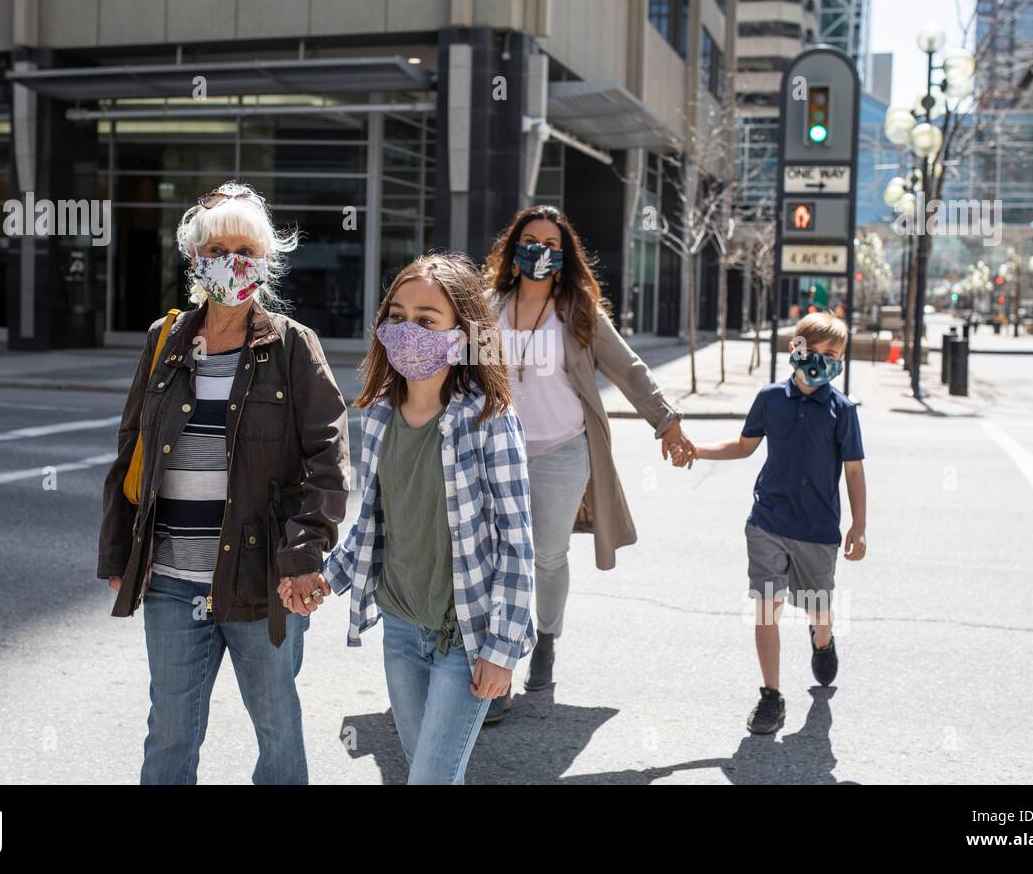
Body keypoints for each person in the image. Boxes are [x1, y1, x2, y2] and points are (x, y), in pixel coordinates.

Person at [97, 181, 350, 784]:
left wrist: (305, 555)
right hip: (171, 583)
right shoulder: (165, 340)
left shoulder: (291, 346)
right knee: (170, 735)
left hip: (261, 580)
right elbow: (131, 448)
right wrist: (118, 552)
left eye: (246, 249)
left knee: (277, 729)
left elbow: (329, 458)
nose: (231, 261)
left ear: (265, 262)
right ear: (195, 259)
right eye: (218, 248)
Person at [283, 252, 536, 784]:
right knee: (432, 775)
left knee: (429, 779)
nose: (407, 331)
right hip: (400, 628)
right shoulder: (377, 413)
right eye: (397, 316)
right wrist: (325, 578)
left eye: (427, 320)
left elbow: (517, 543)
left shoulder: (488, 417)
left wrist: (503, 650)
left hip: (464, 634)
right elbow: (373, 523)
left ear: (462, 332)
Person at [479, 205, 695, 723]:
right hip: (497, 452)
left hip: (563, 450)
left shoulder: (577, 312)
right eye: (530, 240)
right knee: (497, 559)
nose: (540, 250)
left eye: (551, 243)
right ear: (513, 250)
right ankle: (499, 668)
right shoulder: (488, 308)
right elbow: (460, 373)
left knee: (548, 557)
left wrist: (667, 421)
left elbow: (628, 368)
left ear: (563, 255)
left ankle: (546, 637)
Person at [677, 311, 867, 735]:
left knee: (818, 605)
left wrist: (859, 525)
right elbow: (744, 446)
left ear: (841, 360)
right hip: (767, 521)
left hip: (818, 530)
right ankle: (771, 696)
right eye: (811, 350)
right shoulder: (770, 399)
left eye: (831, 354)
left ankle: (823, 639)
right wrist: (698, 450)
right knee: (766, 607)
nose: (819, 360)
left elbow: (854, 471)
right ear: (793, 349)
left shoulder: (843, 410)